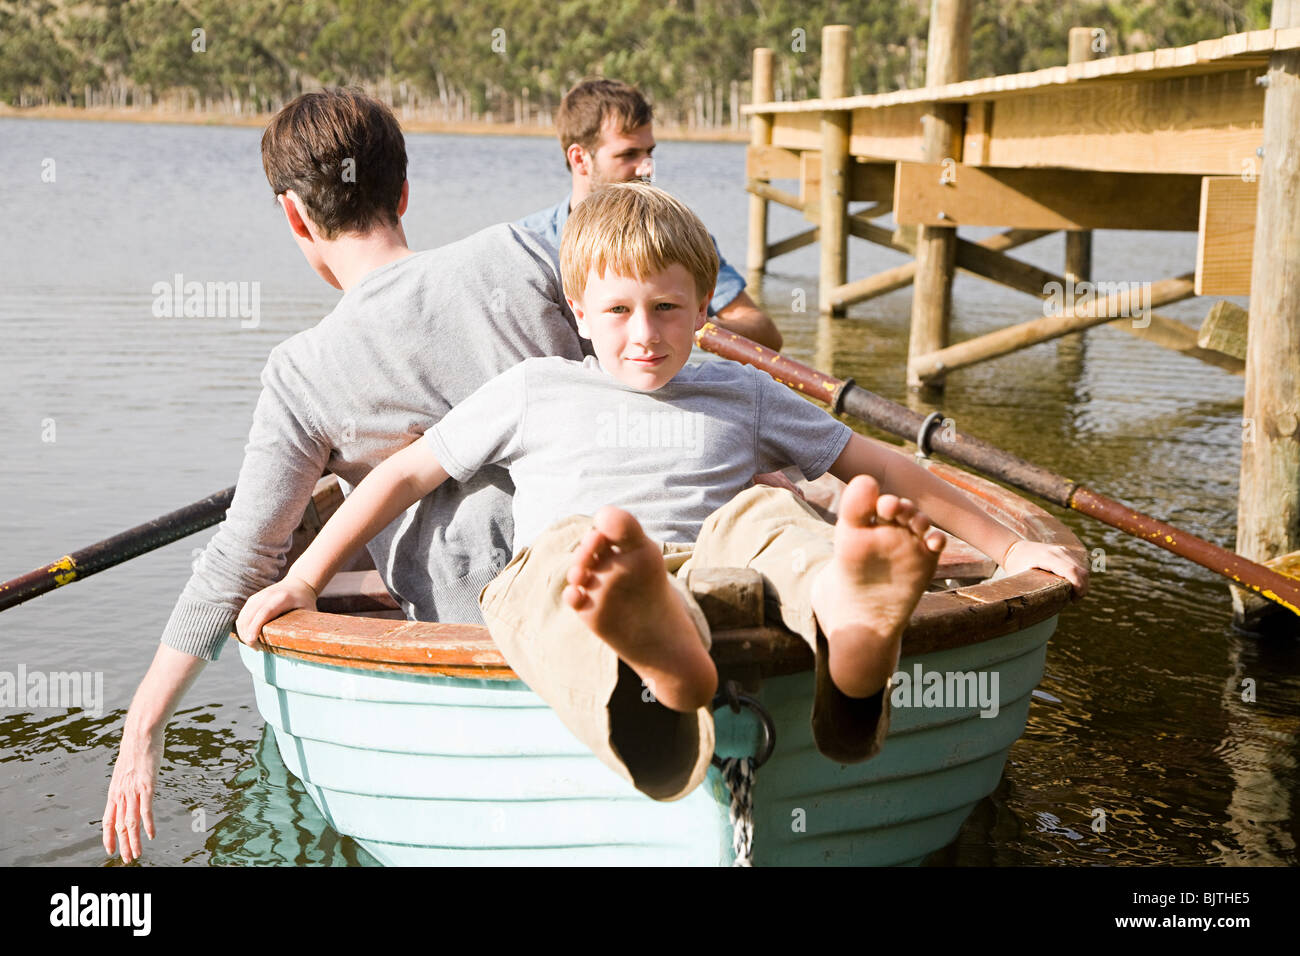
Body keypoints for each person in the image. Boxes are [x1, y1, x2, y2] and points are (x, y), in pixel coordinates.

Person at [237, 182, 1088, 802]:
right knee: (557, 559)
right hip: (601, 572)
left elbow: (880, 462)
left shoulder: (739, 390)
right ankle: (664, 659)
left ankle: (850, 623)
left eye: (669, 309)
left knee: (776, 518)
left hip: (721, 570)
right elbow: (402, 475)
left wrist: (1010, 545)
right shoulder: (535, 386)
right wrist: (304, 580)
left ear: (701, 309)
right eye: (618, 311)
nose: (645, 335)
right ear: (577, 309)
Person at [101, 88, 591, 863]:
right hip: (616, 579)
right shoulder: (522, 256)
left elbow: (243, 560)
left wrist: (142, 727)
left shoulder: (304, 374)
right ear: (403, 190)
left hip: (476, 632)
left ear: (295, 216)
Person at [516, 78, 784, 352]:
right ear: (580, 158)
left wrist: (688, 319)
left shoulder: (676, 237)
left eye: (649, 152)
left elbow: (766, 336)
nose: (646, 168)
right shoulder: (525, 248)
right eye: (628, 154)